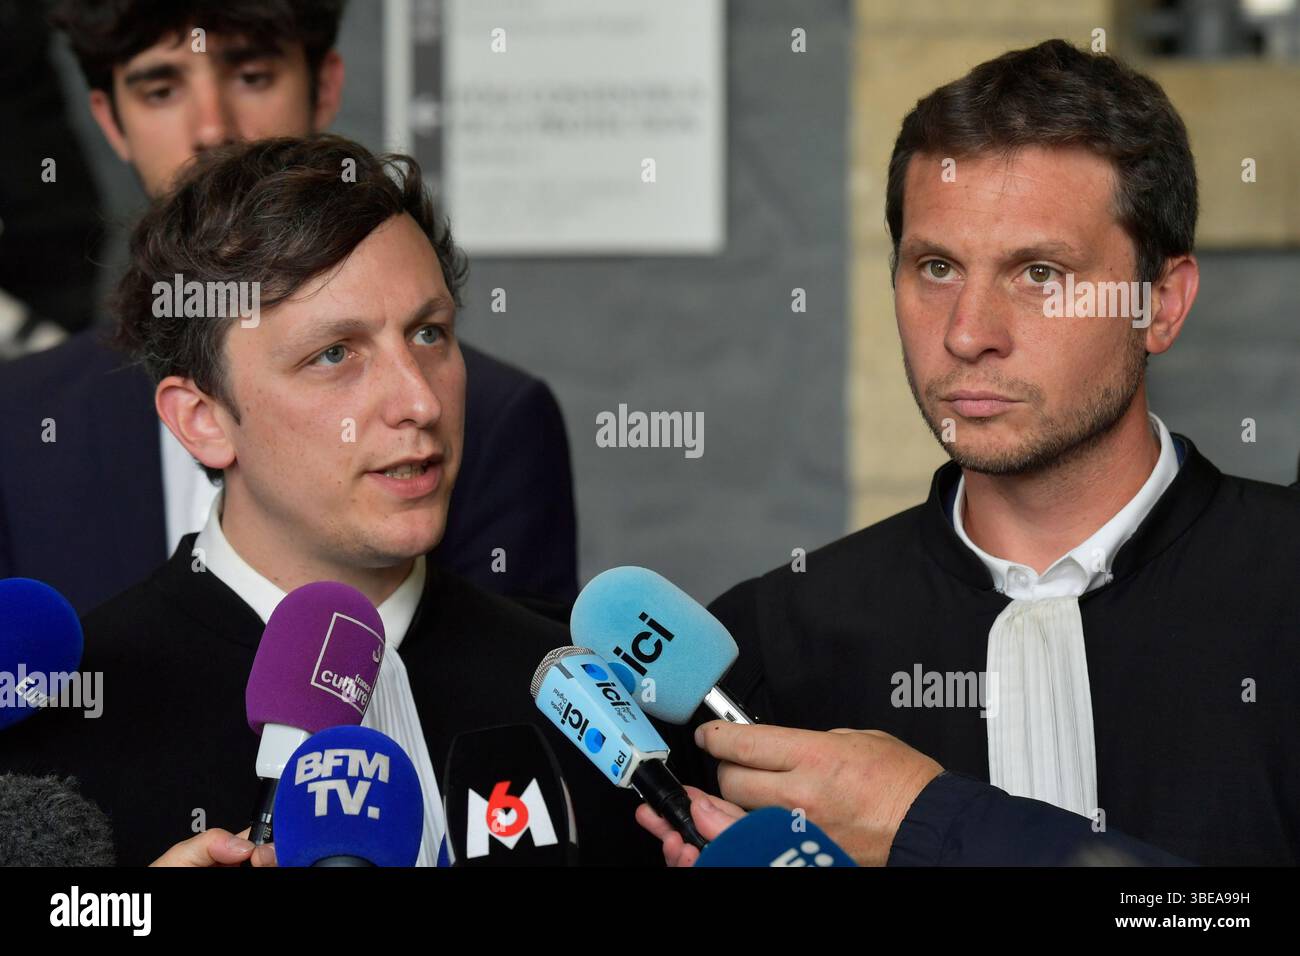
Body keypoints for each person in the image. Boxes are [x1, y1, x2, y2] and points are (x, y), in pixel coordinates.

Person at [641, 39, 1300, 867]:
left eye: (1038, 273)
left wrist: (924, 822)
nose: (967, 333)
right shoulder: (764, 653)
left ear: (1160, 304)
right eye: (938, 266)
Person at [1, 135, 692, 866]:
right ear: (202, 421)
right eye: (334, 353)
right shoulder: (58, 738)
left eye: (429, 333)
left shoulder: (589, 708)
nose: (419, 400)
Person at [0, 0, 578, 615]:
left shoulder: (494, 416)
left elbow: (521, 680)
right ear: (111, 120)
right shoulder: (18, 420)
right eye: (162, 88)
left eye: (252, 77)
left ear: (324, 85)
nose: (213, 127)